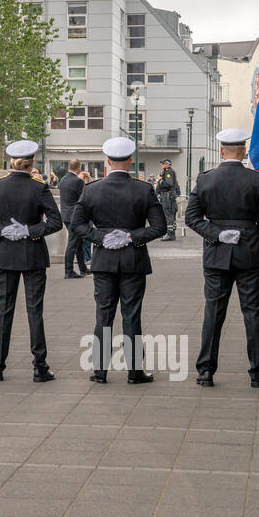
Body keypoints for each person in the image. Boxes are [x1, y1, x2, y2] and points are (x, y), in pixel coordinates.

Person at [187, 129, 259, 388]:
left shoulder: (204, 180)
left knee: (213, 313)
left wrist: (217, 233)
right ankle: (257, 374)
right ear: (244, 152)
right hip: (251, 254)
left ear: (221, 151)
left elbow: (192, 218)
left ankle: (205, 372)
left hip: (217, 254)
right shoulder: (256, 180)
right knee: (254, 314)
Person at [72, 137, 167, 384]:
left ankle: (99, 370)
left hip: (104, 259)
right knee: (131, 315)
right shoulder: (143, 189)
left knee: (103, 315)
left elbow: (77, 225)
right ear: (131, 161)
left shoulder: (91, 189)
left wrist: (101, 237)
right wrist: (131, 236)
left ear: (107, 161)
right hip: (133, 259)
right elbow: (160, 227)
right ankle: (134, 371)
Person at [0, 140, 63, 382]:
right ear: (31, 163)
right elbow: (55, 222)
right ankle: (39, 367)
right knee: (35, 311)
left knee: (4, 310)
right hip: (32, 253)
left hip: (5, 253)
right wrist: (29, 230)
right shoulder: (39, 187)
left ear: (12, 162)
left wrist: (2, 230)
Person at [57, 159, 90, 279]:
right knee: (72, 243)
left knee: (78, 242)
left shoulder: (63, 180)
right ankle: (69, 271)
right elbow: (84, 198)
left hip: (66, 215)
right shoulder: (78, 181)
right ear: (79, 168)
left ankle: (83, 269)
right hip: (75, 217)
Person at [156, 159, 180, 240]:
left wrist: (160, 180)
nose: (162, 165)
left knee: (168, 215)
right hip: (168, 196)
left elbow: (169, 184)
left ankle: (170, 234)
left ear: (168, 164)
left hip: (167, 196)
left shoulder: (168, 172)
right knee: (170, 215)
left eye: (163, 164)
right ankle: (170, 233)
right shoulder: (167, 172)